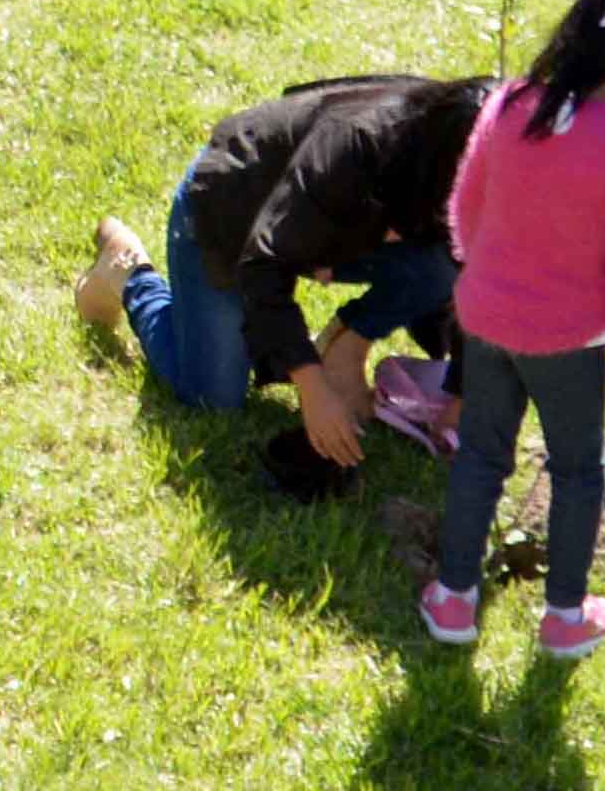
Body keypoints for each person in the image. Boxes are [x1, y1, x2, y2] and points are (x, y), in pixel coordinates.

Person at [422, 0, 605, 663]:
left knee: (482, 454)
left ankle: (455, 598)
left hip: (484, 320)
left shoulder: (513, 105)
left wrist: (486, 275)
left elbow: (466, 206)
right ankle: (565, 615)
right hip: (568, 343)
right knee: (579, 469)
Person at [73, 72, 489, 487]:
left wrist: (462, 398)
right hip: (232, 216)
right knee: (212, 395)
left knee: (438, 266)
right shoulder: (352, 146)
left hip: (334, 228)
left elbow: (489, 280)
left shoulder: (479, 170)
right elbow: (264, 265)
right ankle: (128, 273)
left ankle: (346, 347)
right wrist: (312, 386)